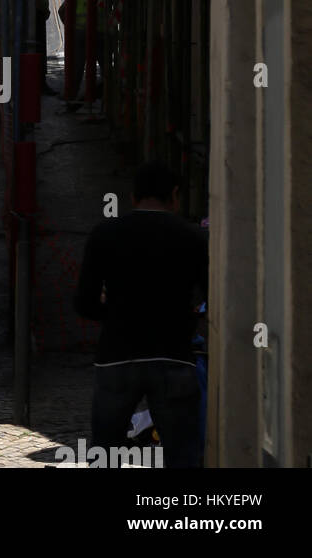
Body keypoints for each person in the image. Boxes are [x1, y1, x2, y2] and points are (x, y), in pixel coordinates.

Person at [74, 162, 209, 467]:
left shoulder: (104, 235)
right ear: (175, 195)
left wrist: (114, 313)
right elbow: (210, 297)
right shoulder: (192, 239)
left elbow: (84, 303)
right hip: (173, 354)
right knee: (182, 452)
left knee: (106, 452)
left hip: (117, 354)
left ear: (133, 196)